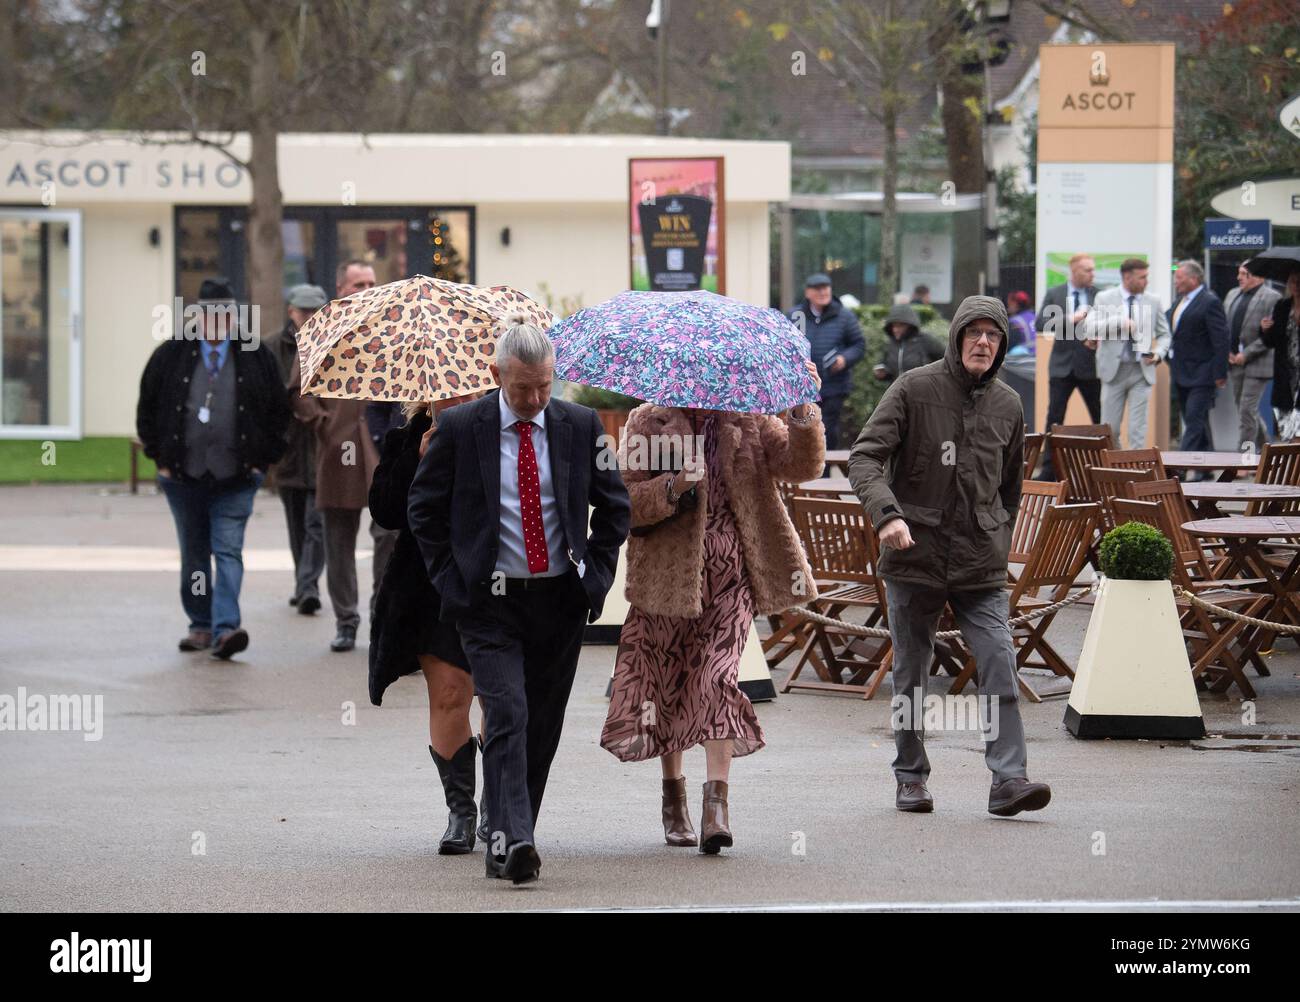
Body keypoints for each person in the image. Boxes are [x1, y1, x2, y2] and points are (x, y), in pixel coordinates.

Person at [408, 320, 630, 885]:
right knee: (506, 710)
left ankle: (510, 824)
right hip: (488, 602)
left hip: (557, 599)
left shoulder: (581, 426)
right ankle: (513, 842)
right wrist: (454, 586)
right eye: (521, 388)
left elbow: (614, 509)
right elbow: (423, 511)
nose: (533, 400)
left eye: (544, 387)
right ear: (495, 375)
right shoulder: (462, 427)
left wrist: (595, 580)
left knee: (543, 724)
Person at [601, 363, 825, 854]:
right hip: (668, 574)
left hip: (734, 572)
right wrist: (674, 486)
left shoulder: (748, 419)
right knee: (667, 682)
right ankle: (673, 795)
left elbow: (802, 466)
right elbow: (623, 501)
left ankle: (716, 805)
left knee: (716, 677)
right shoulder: (646, 422)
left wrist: (804, 409)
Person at [848, 295, 1051, 818]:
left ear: (1002, 345)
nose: (983, 342)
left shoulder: (1009, 403)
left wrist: (998, 534)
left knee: (999, 661)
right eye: (974, 333)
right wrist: (888, 515)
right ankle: (911, 778)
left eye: (993, 335)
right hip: (914, 556)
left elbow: (1010, 487)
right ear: (957, 337)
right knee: (912, 674)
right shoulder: (915, 388)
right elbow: (865, 457)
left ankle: (1009, 780)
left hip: (980, 564)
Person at [136, 277, 290, 659]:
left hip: (237, 476)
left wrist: (263, 461)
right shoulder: (172, 353)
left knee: (228, 549)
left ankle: (225, 628)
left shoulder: (255, 354)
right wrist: (161, 458)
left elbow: (278, 411)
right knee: (194, 554)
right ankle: (201, 625)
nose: (219, 319)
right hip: (182, 475)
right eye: (211, 312)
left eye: (226, 311)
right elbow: (148, 406)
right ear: (198, 315)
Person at [369, 392, 487, 855]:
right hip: (427, 586)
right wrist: (418, 459)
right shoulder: (408, 437)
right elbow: (385, 510)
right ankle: (462, 811)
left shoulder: (504, 430)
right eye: (448, 387)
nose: (460, 393)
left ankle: (499, 803)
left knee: (497, 696)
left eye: (471, 384)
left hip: (492, 581)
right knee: (452, 691)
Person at [287, 260, 381, 653]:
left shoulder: (390, 328)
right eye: (358, 283)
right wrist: (324, 424)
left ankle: (384, 618)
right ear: (341, 287)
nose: (365, 288)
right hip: (337, 451)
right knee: (338, 541)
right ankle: (346, 620)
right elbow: (298, 389)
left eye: (371, 282)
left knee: (391, 536)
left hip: (382, 452)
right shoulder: (322, 330)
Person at [270, 284, 328, 615]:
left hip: (324, 448)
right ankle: (301, 579)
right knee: (296, 523)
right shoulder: (271, 348)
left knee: (315, 523)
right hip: (289, 450)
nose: (309, 317)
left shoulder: (332, 345)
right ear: (291, 311)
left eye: (314, 311)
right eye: (303, 311)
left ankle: (308, 586)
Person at [1082, 258, 1171, 450]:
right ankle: (1118, 468)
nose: (1146, 281)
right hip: (1113, 371)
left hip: (1142, 371)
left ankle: (1136, 473)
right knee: (1110, 430)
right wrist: (1119, 322)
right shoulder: (1104, 298)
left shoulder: (1153, 301)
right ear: (1127, 277)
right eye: (1142, 277)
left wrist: (1158, 353)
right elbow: (1089, 328)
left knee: (1137, 431)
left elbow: (1165, 335)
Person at [1036, 254, 1100, 480]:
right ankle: (1048, 471)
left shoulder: (1099, 295)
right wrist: (1069, 319)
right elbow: (1041, 323)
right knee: (1054, 418)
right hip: (1061, 366)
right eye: (1088, 270)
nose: (1093, 274)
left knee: (1100, 419)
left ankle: (1103, 468)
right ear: (1074, 272)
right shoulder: (1056, 294)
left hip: (1091, 367)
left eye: (1093, 270)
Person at [789, 273, 864, 450]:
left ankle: (825, 470)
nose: (823, 292)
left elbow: (858, 345)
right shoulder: (795, 315)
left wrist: (844, 358)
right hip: (803, 387)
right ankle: (808, 467)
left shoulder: (845, 316)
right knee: (803, 427)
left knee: (828, 429)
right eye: (817, 289)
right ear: (808, 293)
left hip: (833, 386)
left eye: (826, 287)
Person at [1167, 259, 1229, 458]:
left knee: (1193, 421)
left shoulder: (1210, 301)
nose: (1175, 282)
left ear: (1193, 279)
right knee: (1198, 421)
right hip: (1181, 372)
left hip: (1203, 373)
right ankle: (1206, 466)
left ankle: (1179, 468)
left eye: (1179, 278)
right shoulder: (1179, 302)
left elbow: (1221, 340)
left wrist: (1220, 373)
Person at [1223, 260, 1281, 451]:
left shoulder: (1273, 298)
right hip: (1234, 362)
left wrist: (1245, 354)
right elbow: (1225, 326)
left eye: (1244, 273)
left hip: (1258, 363)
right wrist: (1228, 352)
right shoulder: (1232, 294)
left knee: (1247, 410)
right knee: (1246, 411)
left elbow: (1271, 335)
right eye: (1239, 273)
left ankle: (1244, 458)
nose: (1239, 277)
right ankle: (1268, 451)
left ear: (1258, 276)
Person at [1259, 267, 1300, 441]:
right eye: (1293, 281)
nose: (1296, 285)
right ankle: (1292, 468)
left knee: (1298, 432)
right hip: (1285, 377)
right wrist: (1264, 329)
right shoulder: (1282, 307)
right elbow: (1271, 342)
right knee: (1286, 435)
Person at [872, 303, 944, 385]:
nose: (895, 330)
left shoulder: (926, 340)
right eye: (893, 326)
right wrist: (882, 374)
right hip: (897, 394)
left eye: (900, 326)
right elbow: (886, 366)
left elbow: (945, 360)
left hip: (923, 392)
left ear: (910, 325)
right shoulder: (890, 344)